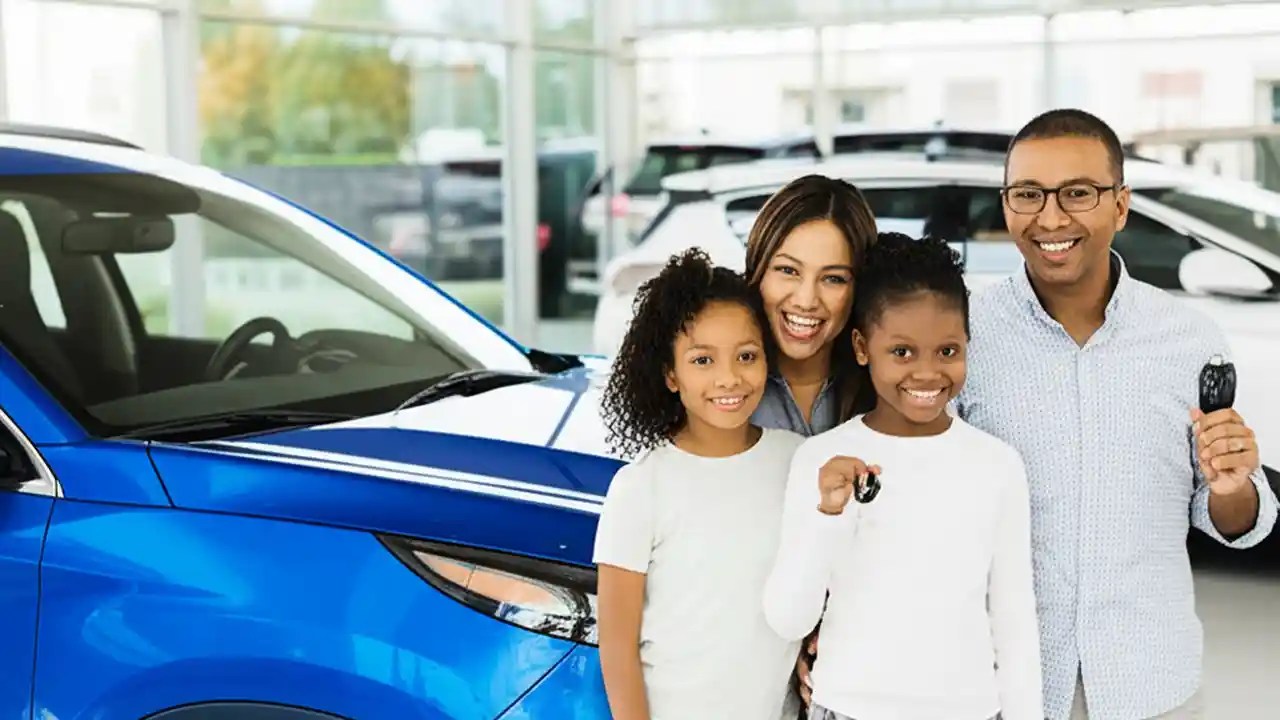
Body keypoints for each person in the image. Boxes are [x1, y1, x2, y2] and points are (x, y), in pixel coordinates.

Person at [795, 108, 1279, 720]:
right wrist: (835, 636)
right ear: (1006, 206)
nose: (1051, 218)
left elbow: (1231, 521)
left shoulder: (1189, 339)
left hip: (1152, 680)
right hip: (995, 683)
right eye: (1028, 195)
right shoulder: (961, 342)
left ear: (1121, 205)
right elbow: (897, 511)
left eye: (1078, 193)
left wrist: (1232, 486)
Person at [762, 233, 1043, 720]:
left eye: (948, 351)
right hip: (848, 709)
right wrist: (827, 516)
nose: (928, 373)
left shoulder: (996, 465)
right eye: (903, 353)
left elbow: (1015, 623)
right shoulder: (822, 459)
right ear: (862, 346)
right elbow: (788, 618)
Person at [593, 247, 807, 720]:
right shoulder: (641, 488)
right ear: (670, 374)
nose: (729, 378)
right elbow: (616, 645)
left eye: (745, 356)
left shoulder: (797, 459)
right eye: (702, 360)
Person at [744, 174, 880, 437]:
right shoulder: (720, 383)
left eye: (833, 279)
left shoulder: (886, 386)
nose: (806, 301)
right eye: (788, 270)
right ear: (758, 270)